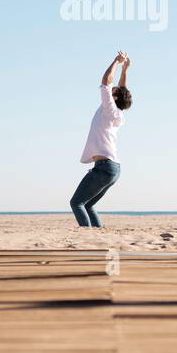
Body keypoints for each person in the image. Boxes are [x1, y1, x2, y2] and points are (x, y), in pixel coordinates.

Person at [70, 52, 132, 227]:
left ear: (116, 97)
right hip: (112, 168)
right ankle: (98, 239)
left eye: (115, 92)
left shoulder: (109, 109)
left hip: (105, 167)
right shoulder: (116, 112)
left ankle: (89, 240)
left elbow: (106, 81)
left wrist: (116, 62)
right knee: (88, 205)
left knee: (76, 203)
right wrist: (125, 70)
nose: (113, 89)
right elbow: (121, 88)